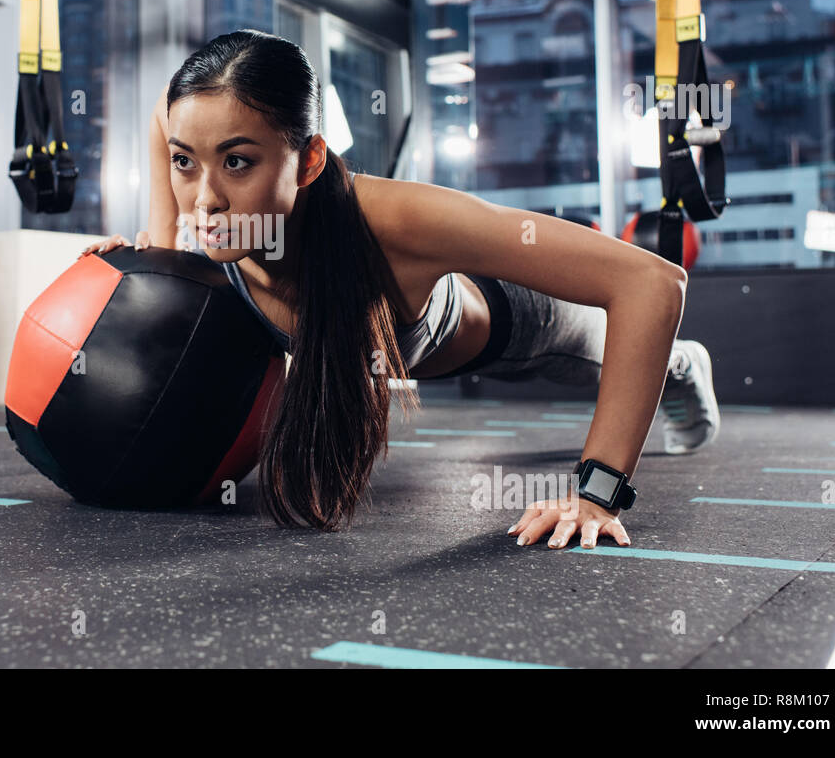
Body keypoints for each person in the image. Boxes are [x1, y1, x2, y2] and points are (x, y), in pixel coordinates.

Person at [80, 29, 720, 540]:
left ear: (307, 160)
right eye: (184, 161)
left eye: (238, 161)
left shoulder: (397, 220)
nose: (206, 200)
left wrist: (597, 497)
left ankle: (683, 365)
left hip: (514, 319)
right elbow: (164, 116)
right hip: (412, 346)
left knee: (613, 354)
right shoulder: (207, 211)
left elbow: (651, 281)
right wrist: (149, 260)